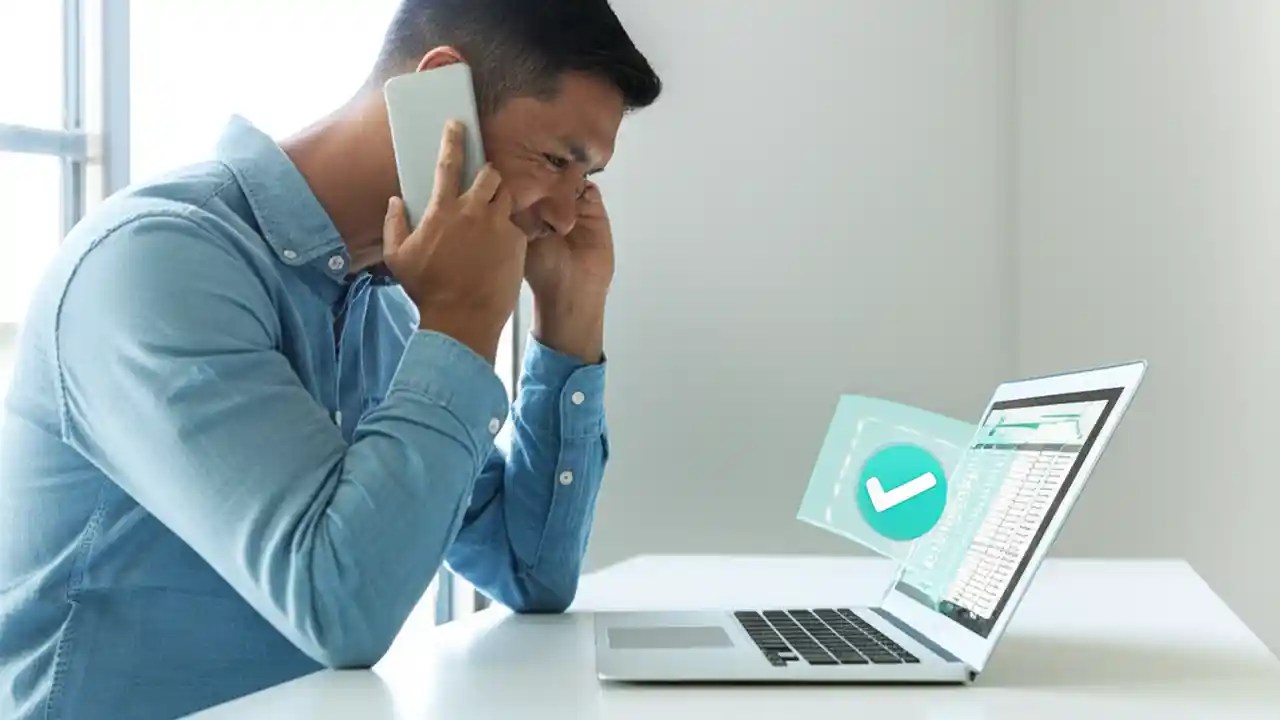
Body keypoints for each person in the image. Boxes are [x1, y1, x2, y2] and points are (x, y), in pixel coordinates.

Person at [0, 0, 662, 716]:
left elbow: (527, 569)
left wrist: (570, 319)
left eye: (584, 180)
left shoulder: (372, 304)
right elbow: (340, 611)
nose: (566, 216)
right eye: (558, 159)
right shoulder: (157, 266)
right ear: (445, 99)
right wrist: (461, 324)